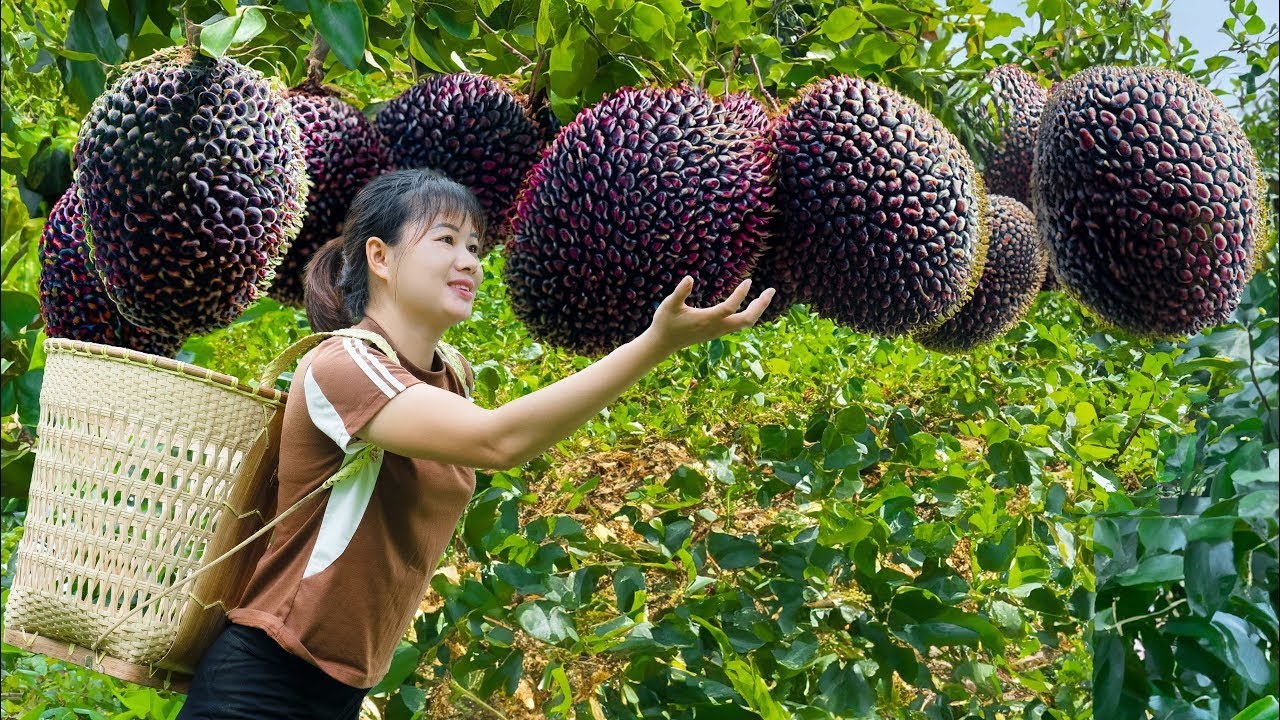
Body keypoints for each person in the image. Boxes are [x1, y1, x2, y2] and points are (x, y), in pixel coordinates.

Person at [175, 168, 775, 719]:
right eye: (446, 240)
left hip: (341, 689)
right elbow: (499, 440)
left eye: (476, 247)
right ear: (380, 257)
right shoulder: (344, 363)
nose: (469, 261)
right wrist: (654, 343)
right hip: (264, 679)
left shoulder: (448, 376)